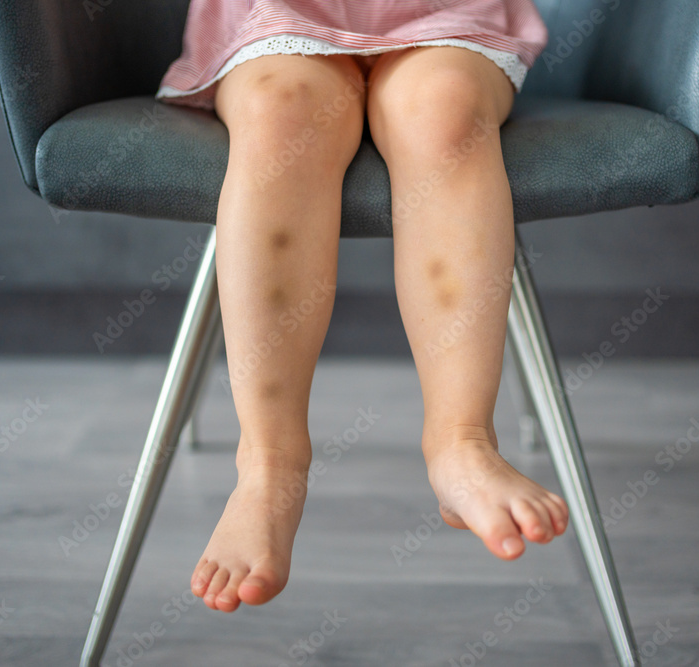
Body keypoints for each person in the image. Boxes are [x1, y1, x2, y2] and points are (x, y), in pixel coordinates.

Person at [156, 0, 569, 613]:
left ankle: (463, 440)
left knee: (444, 108)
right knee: (283, 112)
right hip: (280, 16)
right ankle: (269, 464)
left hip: (447, 16)